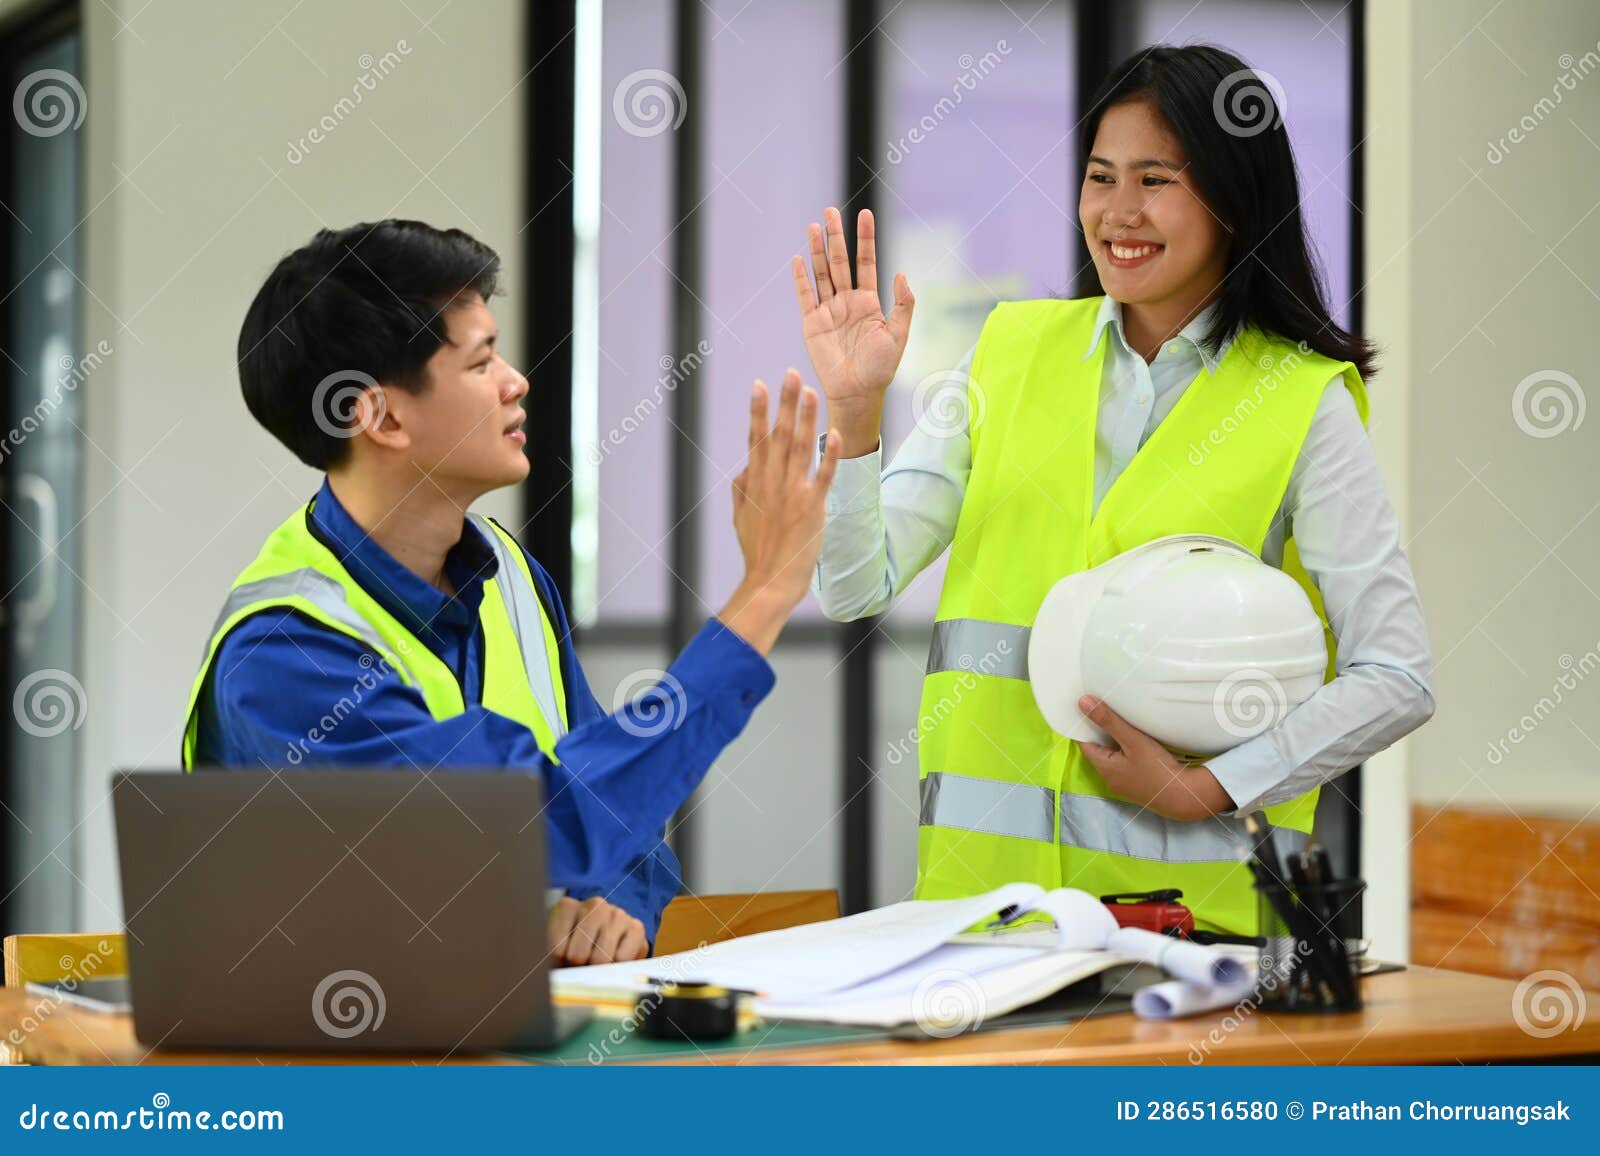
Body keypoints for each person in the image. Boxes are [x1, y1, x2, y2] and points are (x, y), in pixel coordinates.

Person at [794, 46, 1435, 934]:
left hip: (1192, 942)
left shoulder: (1302, 401)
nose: (1119, 212)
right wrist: (856, 413)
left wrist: (1210, 785)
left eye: (1156, 179)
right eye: (1101, 177)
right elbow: (853, 584)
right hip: (981, 922)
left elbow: (1397, 674)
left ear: (1231, 197)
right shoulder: (1008, 351)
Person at [184, 219, 841, 963]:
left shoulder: (512, 576)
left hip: (503, 1038)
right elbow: (552, 819)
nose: (515, 382)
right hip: (337, 1067)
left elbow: (623, 814)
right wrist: (766, 591)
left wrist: (619, 896)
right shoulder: (286, 656)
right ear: (382, 415)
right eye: (480, 362)